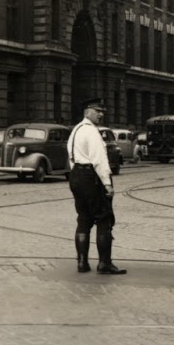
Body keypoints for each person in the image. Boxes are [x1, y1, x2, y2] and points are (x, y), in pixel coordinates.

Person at [68, 98, 124, 274]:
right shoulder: (92, 132)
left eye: (102, 112)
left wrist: (78, 173)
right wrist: (107, 185)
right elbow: (99, 161)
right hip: (92, 177)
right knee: (104, 218)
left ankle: (82, 263)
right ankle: (104, 264)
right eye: (97, 111)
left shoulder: (75, 130)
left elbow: (71, 156)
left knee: (83, 218)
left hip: (77, 175)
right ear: (87, 112)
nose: (101, 114)